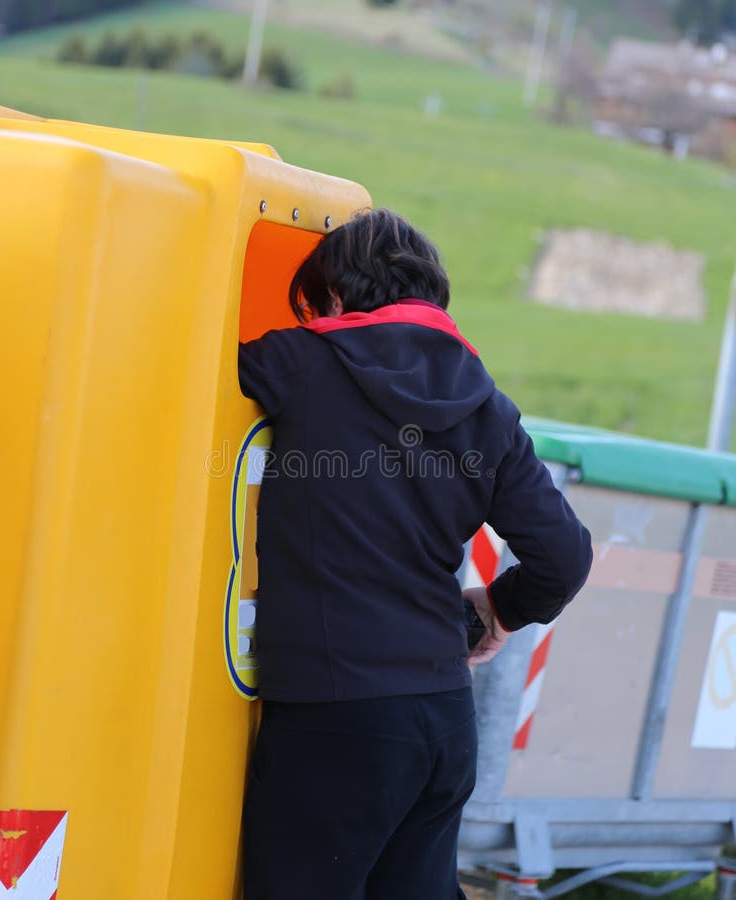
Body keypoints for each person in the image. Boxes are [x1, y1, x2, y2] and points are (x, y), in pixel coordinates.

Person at [238, 208, 592, 900]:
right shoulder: (487, 406)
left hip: (334, 717)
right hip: (441, 719)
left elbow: (167, 369)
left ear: (336, 296)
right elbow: (564, 557)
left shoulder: (302, 364)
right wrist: (498, 610)